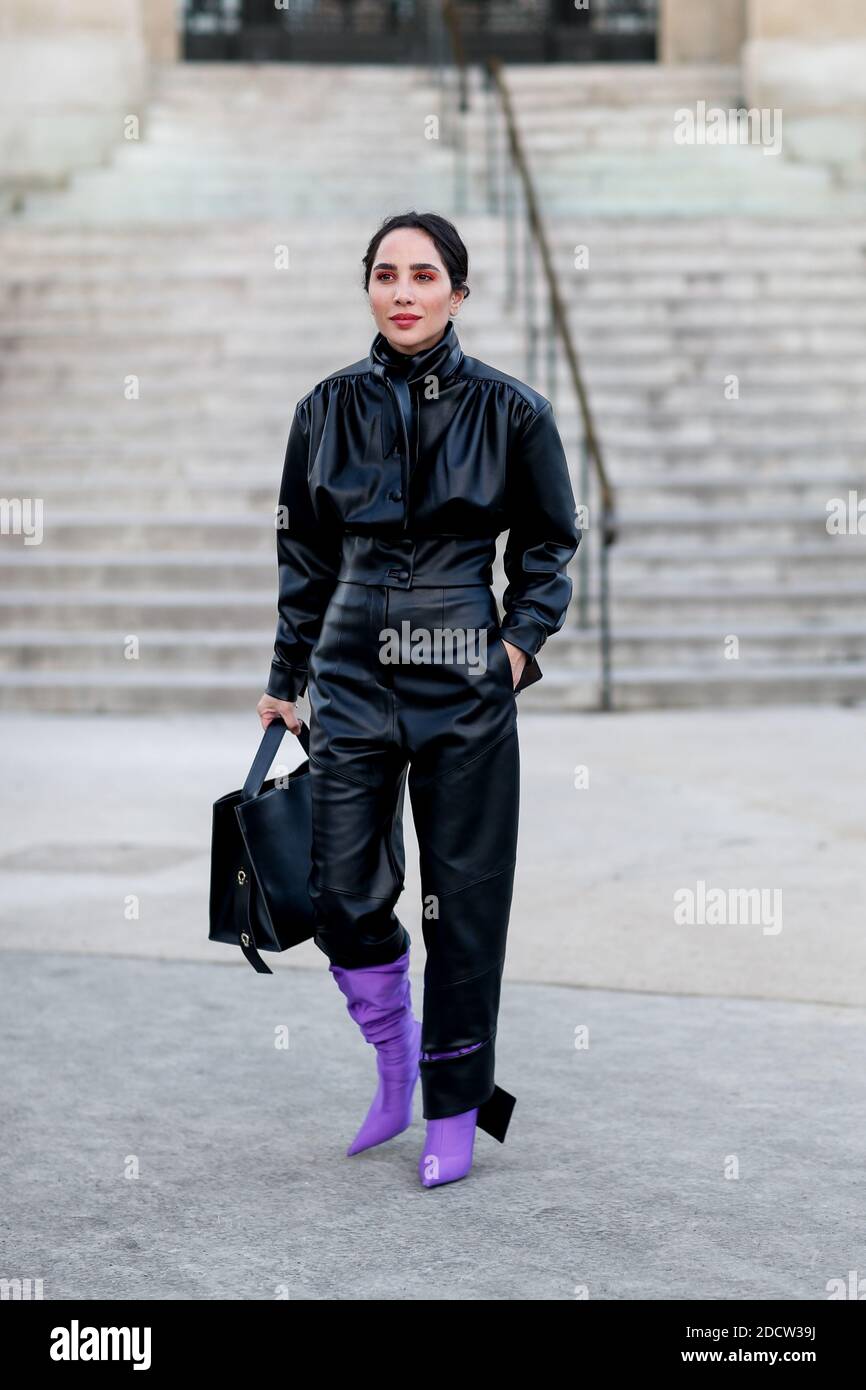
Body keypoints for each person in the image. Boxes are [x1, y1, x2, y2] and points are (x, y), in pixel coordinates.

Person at [257, 210, 580, 1188]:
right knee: (340, 896)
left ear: (457, 293)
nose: (404, 290)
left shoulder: (513, 411)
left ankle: (451, 1104)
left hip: (463, 683)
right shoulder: (323, 408)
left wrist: (516, 648)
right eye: (386, 273)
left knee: (466, 909)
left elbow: (548, 541)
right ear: (367, 287)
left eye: (424, 274)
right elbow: (302, 552)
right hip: (353, 679)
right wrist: (287, 679)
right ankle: (395, 1052)